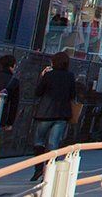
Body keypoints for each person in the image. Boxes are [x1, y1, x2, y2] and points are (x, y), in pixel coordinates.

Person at [30, 52, 77, 182]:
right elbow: (73, 95)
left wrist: (42, 77)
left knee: (39, 141)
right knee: (53, 143)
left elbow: (38, 92)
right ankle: (49, 171)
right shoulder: (70, 76)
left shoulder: (48, 75)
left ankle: (38, 169)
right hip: (62, 114)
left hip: (45, 113)